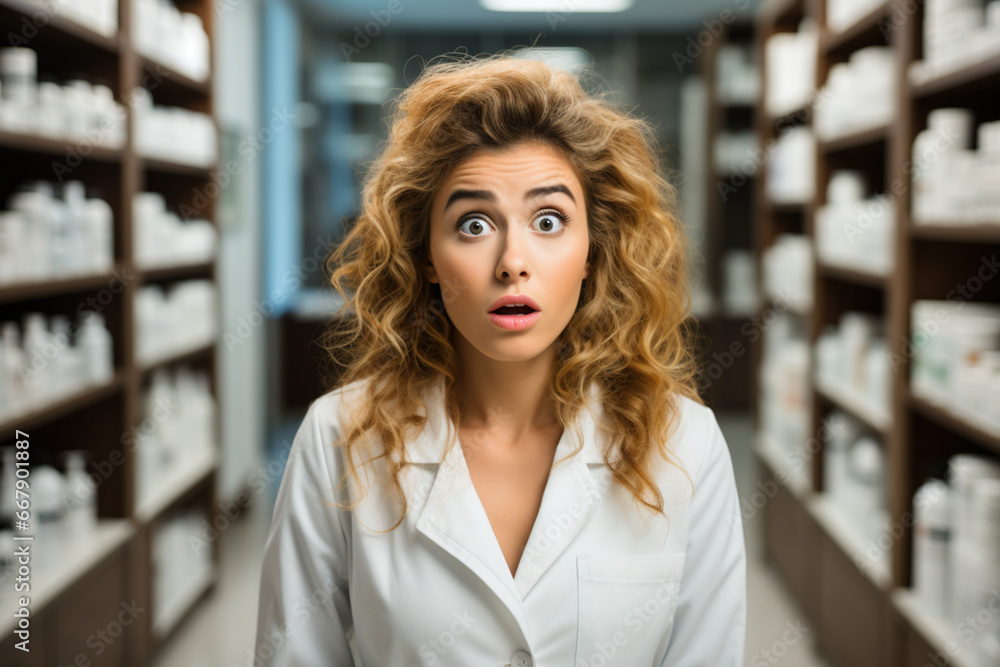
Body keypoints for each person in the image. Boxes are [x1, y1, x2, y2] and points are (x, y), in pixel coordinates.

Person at [254, 50, 746, 667]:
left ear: (593, 250)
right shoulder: (339, 439)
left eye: (548, 219)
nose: (513, 261)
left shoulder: (687, 444)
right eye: (474, 225)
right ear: (427, 255)